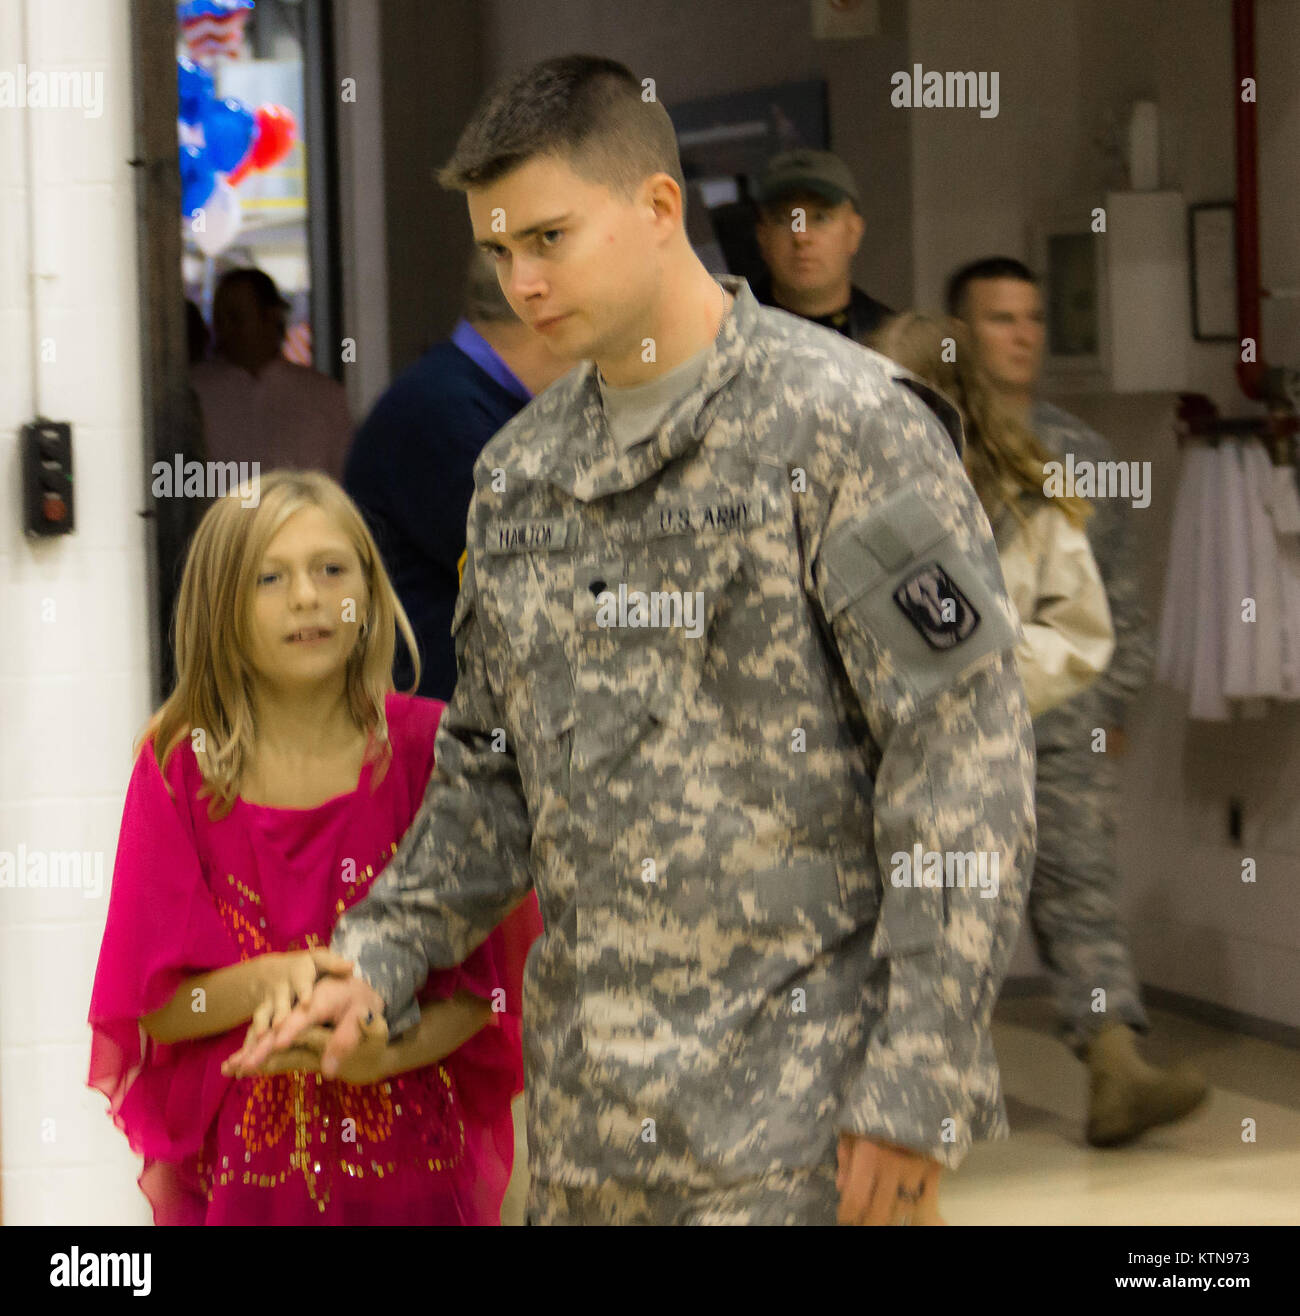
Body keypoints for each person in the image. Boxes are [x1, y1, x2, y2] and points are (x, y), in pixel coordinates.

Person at [230, 53, 1037, 1228]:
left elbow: (961, 766)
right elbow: (489, 772)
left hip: (806, 1130)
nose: (522, 280)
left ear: (660, 209)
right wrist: (377, 955)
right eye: (502, 251)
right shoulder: (521, 477)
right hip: (594, 1130)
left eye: (549, 238)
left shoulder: (848, 429)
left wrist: (917, 1083)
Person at [87, 470, 532, 1224]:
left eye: (332, 570)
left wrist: (379, 1055)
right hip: (243, 1193)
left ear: (370, 590)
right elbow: (161, 1005)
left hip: (419, 1186)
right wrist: (277, 978)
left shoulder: (438, 748)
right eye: (270, 577)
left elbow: (478, 994)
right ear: (221, 608)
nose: (306, 597)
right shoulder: (180, 769)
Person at [946, 256, 1208, 1146]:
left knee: (1083, 889)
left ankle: (1113, 1065)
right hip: (950, 722)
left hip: (1063, 713)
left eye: (1031, 318)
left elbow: (1117, 589)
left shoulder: (1081, 452)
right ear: (960, 333)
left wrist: (1116, 704)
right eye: (998, 319)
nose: (1021, 336)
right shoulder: (926, 440)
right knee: (944, 904)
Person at [345, 250, 576, 701]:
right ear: (542, 316)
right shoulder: (443, 413)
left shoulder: (477, 397)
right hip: (441, 732)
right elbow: (552, 576)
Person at [871, 312, 1115, 719]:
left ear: (948, 402)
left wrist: (979, 672)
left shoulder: (1027, 503)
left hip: (1001, 742)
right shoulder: (843, 492)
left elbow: (1080, 636)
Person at [190, 268, 353, 480]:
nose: (225, 330)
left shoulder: (323, 397)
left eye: (236, 318)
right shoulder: (196, 392)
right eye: (220, 320)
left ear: (270, 316)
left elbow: (344, 479)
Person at [751, 148, 892, 340]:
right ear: (763, 236)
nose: (800, 236)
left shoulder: (891, 341)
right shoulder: (724, 335)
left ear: (853, 232)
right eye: (783, 219)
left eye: (820, 217)